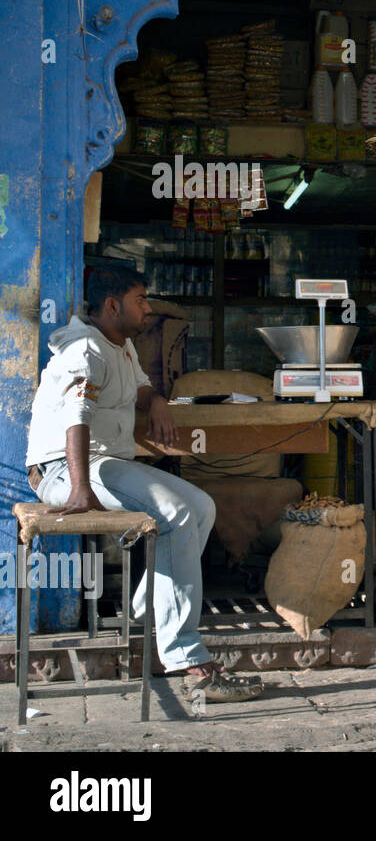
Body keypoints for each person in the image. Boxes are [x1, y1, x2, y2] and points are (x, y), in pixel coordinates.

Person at [25, 266, 262, 703]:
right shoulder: (85, 349)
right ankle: (187, 657)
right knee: (176, 513)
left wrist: (157, 402)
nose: (148, 308)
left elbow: (140, 389)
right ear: (112, 305)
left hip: (102, 462)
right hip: (63, 468)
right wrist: (80, 489)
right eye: (140, 299)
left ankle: (146, 609)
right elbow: (74, 420)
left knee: (202, 506)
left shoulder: (121, 344)